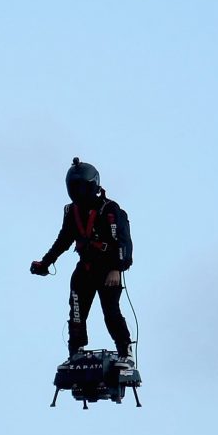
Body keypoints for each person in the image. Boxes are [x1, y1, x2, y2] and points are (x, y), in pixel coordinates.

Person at [30, 158, 134, 369]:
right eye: (74, 187)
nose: (78, 192)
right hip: (85, 270)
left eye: (82, 187)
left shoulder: (110, 210)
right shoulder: (71, 212)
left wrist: (117, 269)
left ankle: (126, 353)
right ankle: (75, 354)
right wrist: (45, 263)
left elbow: (123, 243)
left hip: (108, 271)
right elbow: (63, 240)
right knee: (76, 314)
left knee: (111, 313)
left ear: (93, 185)